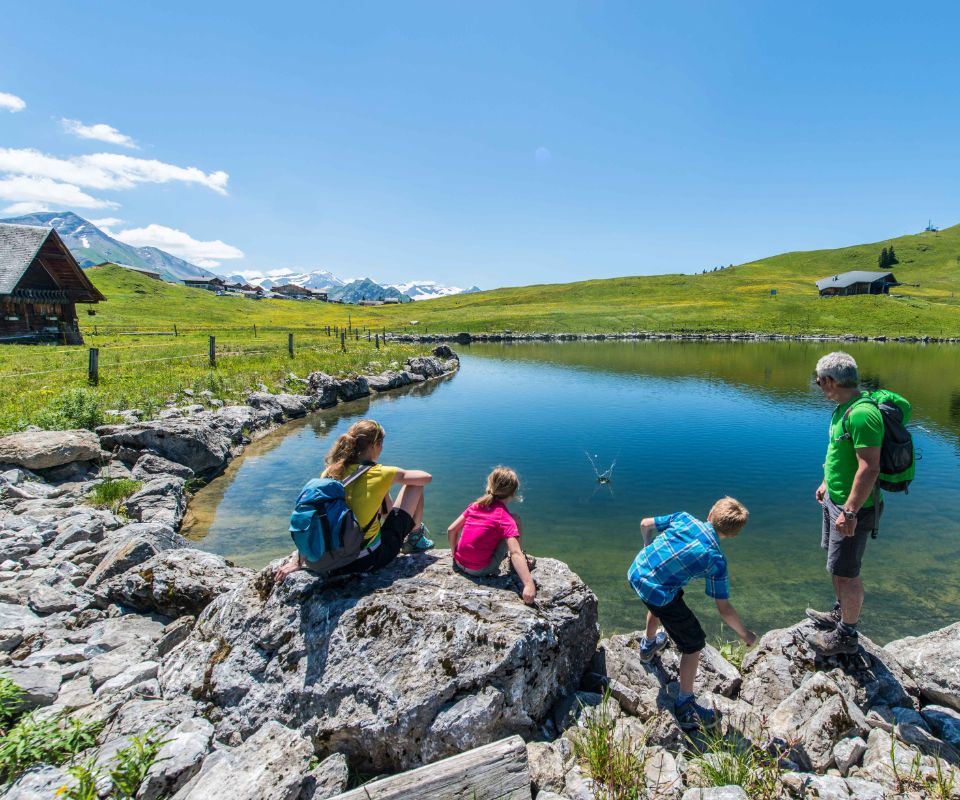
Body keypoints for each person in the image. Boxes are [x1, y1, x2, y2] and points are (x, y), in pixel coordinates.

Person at [628, 498, 756, 730]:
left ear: (709, 514)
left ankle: (648, 646)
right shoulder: (716, 560)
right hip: (658, 590)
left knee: (664, 597)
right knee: (694, 644)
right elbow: (724, 609)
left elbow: (645, 524)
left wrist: (647, 549)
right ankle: (685, 704)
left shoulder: (684, 518)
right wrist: (745, 634)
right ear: (733, 536)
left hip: (636, 572)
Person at [275, 419, 433, 581]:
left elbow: (317, 517)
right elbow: (426, 477)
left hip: (327, 562)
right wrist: (387, 478)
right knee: (415, 485)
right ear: (374, 446)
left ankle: (408, 534)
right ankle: (415, 537)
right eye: (381, 443)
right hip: (365, 560)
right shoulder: (380, 473)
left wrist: (299, 559)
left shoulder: (329, 473)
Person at [806, 352, 883, 656]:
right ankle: (840, 615)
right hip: (836, 501)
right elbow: (840, 454)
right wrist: (826, 482)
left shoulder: (862, 414)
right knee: (838, 566)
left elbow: (869, 468)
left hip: (854, 509)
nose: (818, 386)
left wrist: (850, 511)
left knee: (848, 573)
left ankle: (846, 637)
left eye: (818, 381)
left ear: (830, 381)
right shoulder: (842, 409)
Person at [447, 466, 537, 605]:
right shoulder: (505, 519)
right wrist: (529, 584)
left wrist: (455, 555)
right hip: (480, 570)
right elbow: (514, 552)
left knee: (514, 520)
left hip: (459, 562)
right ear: (513, 493)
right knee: (510, 533)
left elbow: (451, 530)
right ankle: (518, 565)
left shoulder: (475, 506)